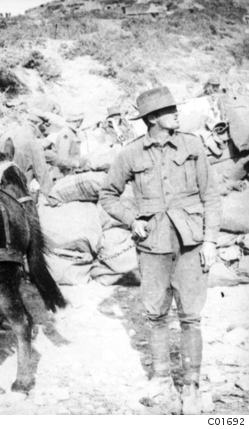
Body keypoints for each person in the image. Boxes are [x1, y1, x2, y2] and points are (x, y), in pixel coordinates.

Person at [99, 86, 221, 415]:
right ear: (152, 119)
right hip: (153, 243)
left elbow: (211, 196)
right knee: (155, 315)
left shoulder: (193, 145)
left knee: (191, 316)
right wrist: (131, 220)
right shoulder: (130, 154)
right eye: (169, 110)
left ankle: (192, 386)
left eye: (175, 107)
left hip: (191, 243)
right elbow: (107, 195)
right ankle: (161, 380)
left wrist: (210, 241)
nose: (176, 113)